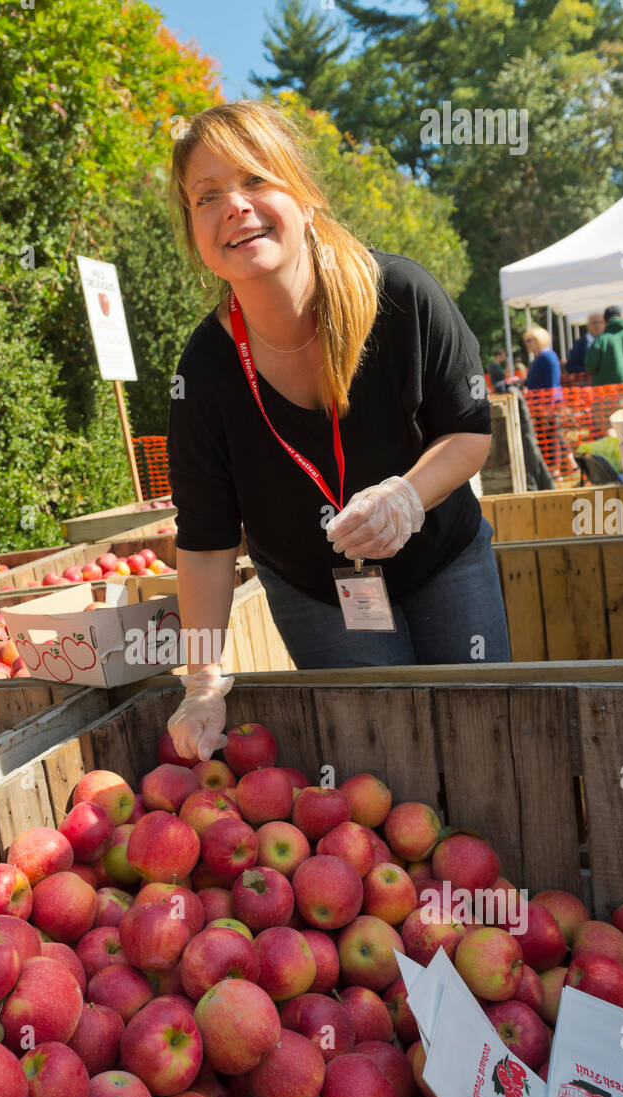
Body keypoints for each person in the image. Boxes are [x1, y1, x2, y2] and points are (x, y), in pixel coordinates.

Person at [164, 100, 510, 761]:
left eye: (256, 179)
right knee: (386, 761)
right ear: (194, 233)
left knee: (483, 739)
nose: (235, 205)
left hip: (443, 558)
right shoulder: (203, 371)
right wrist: (203, 677)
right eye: (208, 196)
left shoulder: (402, 295)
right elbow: (205, 542)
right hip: (317, 589)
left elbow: (469, 432)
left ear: (305, 196)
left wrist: (406, 497)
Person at [585, 306, 623, 386]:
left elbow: (590, 367)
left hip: (608, 391)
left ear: (605, 321)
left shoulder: (601, 340)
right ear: (622, 317)